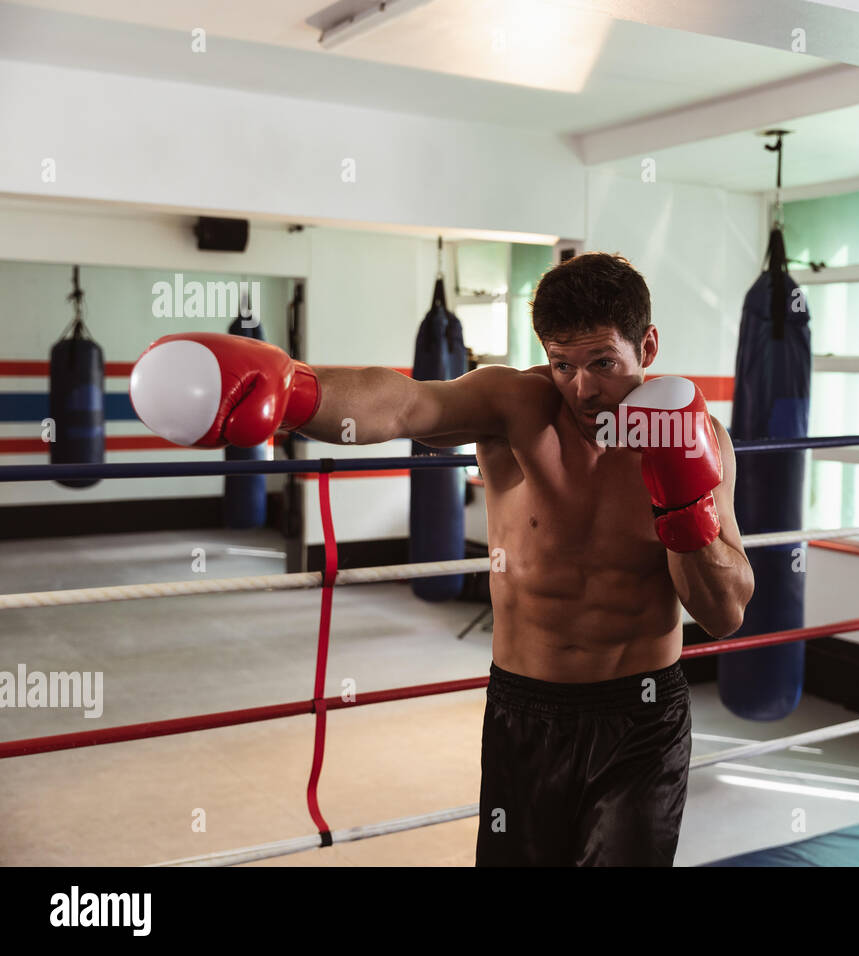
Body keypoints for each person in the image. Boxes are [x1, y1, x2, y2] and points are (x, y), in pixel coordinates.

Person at [128, 251, 755, 866]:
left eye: (602, 362)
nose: (583, 389)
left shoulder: (700, 441)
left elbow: (724, 613)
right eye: (562, 364)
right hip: (526, 712)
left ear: (647, 347)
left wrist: (683, 505)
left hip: (641, 717)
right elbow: (405, 403)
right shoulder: (515, 406)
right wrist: (295, 390)